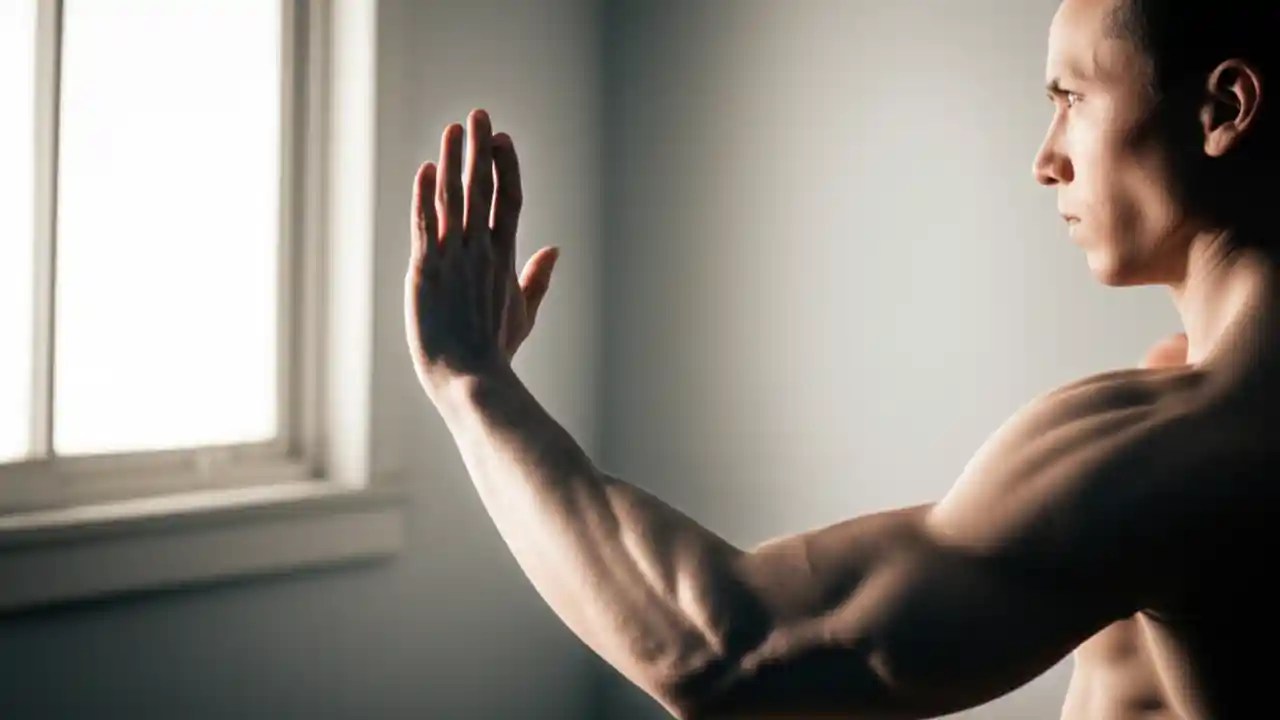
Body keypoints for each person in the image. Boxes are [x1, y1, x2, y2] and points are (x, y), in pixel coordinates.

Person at [402, 0, 1278, 716]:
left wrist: (474, 384)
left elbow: (726, 651)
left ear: (1223, 109)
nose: (1046, 160)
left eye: (1071, 97)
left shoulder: (1189, 452)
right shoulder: (1184, 396)